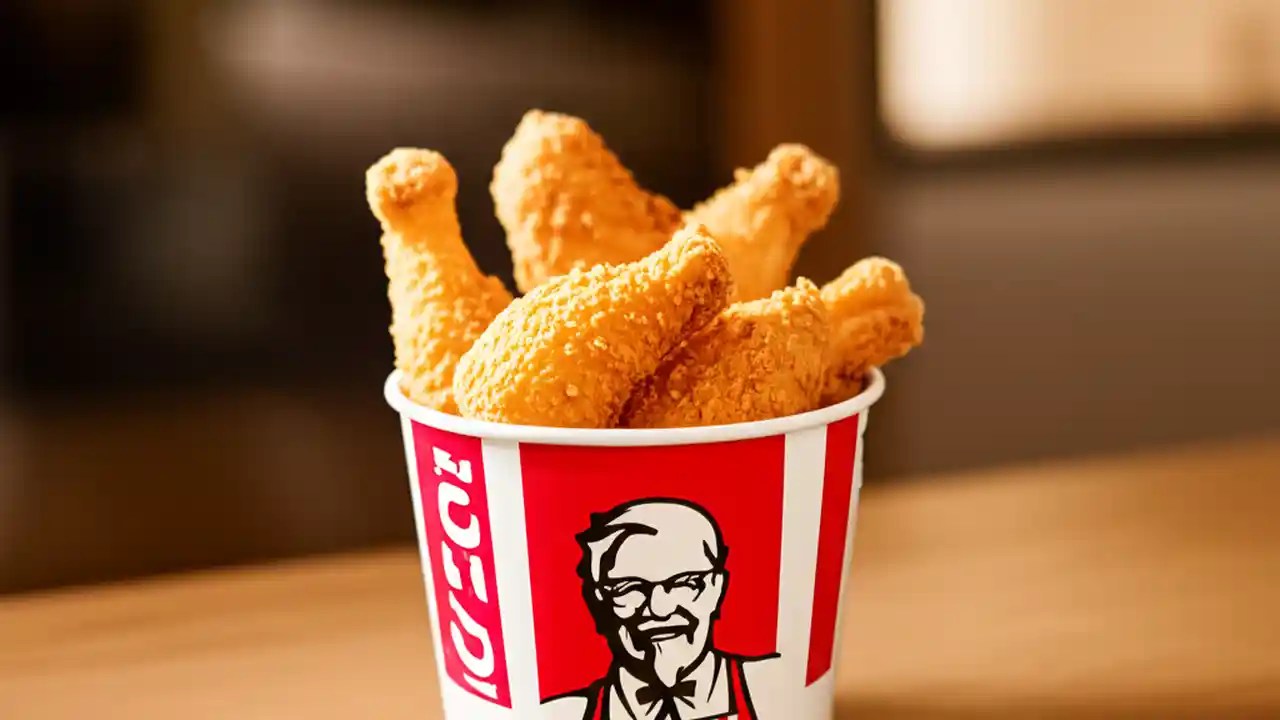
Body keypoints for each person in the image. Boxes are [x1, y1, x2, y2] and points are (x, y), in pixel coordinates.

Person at [544, 499, 776, 720]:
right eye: (630, 587)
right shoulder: (563, 713)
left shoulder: (770, 688)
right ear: (600, 600)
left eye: (685, 583)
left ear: (717, 588)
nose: (660, 608)